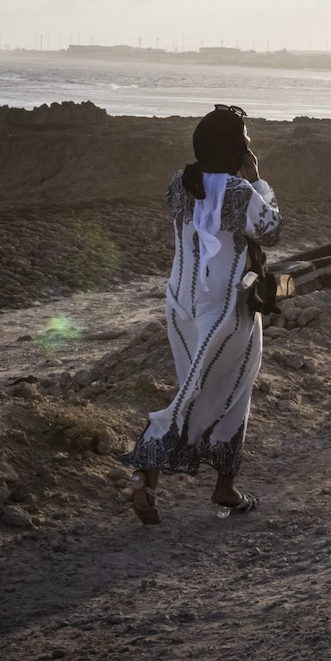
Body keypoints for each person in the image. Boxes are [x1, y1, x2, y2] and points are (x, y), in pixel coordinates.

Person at [124, 104, 280, 524]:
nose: (250, 144)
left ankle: (224, 487)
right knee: (208, 391)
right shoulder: (241, 191)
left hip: (179, 308)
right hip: (226, 310)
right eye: (245, 138)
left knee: (218, 387)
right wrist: (258, 178)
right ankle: (146, 470)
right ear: (233, 147)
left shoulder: (180, 183)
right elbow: (271, 229)